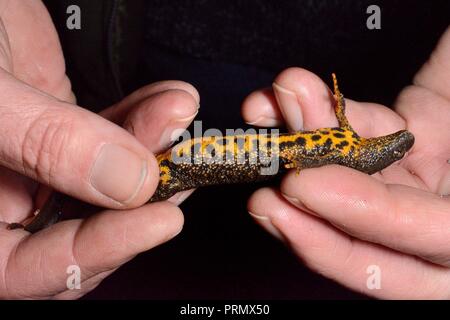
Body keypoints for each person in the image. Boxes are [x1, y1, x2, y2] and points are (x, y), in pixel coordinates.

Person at [0, 1, 448, 299]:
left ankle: (52, 211)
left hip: (206, 158)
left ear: (377, 155)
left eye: (392, 148)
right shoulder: (349, 146)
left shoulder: (349, 153)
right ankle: (51, 210)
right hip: (168, 89)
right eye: (395, 145)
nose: (397, 143)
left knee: (153, 185)